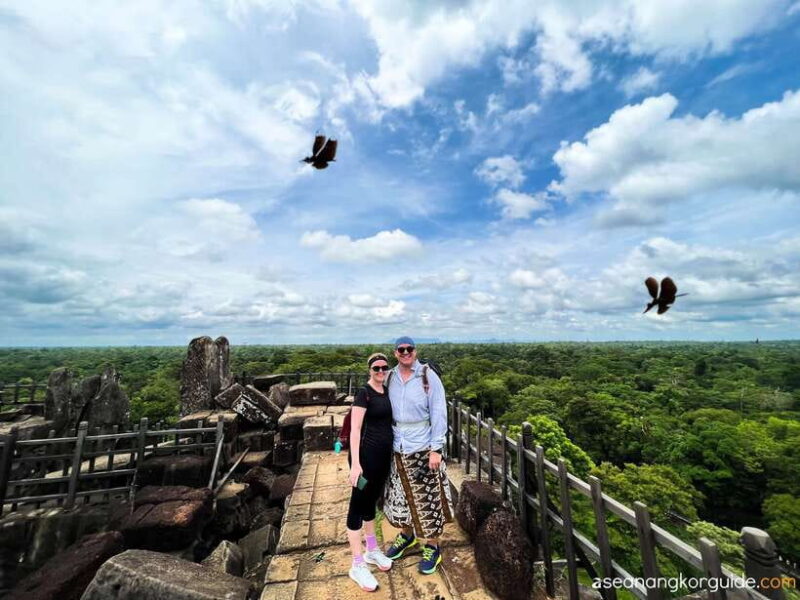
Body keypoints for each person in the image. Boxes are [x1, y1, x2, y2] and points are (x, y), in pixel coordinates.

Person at [383, 336, 454, 575]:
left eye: (409, 349)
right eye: (401, 350)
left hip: (422, 445)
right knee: (400, 496)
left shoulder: (427, 376)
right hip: (397, 445)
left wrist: (436, 449)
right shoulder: (390, 377)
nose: (405, 353)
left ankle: (432, 547)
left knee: (427, 498)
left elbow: (439, 412)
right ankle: (406, 535)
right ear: (395, 353)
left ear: (415, 351)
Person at [346, 352, 395, 591]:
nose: (380, 372)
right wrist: (356, 464)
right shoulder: (363, 393)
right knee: (357, 505)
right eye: (376, 368)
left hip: (382, 460)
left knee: (370, 504)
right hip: (365, 460)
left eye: (383, 368)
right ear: (369, 370)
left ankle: (372, 549)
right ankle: (356, 563)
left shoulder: (386, 392)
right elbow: (355, 430)